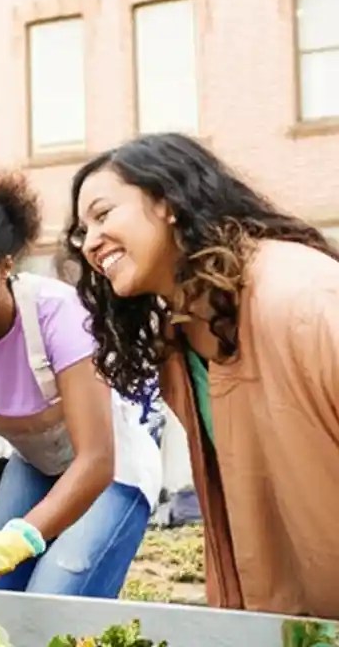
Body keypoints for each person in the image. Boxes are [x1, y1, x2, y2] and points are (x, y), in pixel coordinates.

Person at [65, 132, 339, 618]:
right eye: (82, 230)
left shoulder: (302, 299)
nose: (90, 243)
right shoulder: (179, 337)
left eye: (103, 215)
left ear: (169, 202)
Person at [0, 172, 161, 605]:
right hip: (34, 467)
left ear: (4, 266)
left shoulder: (57, 317)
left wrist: (18, 539)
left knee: (50, 601)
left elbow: (96, 459)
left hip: (112, 470)